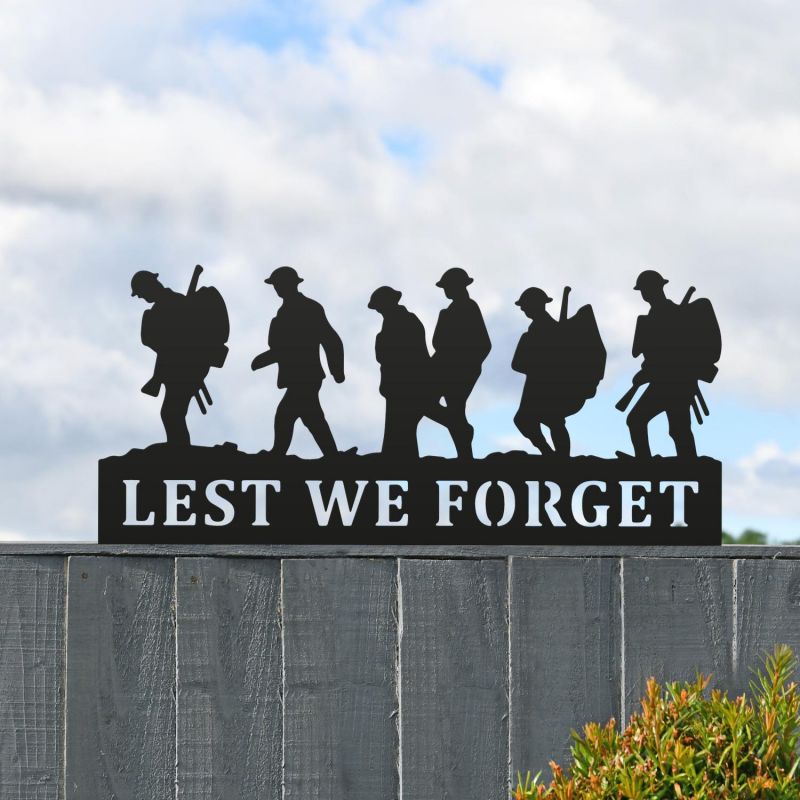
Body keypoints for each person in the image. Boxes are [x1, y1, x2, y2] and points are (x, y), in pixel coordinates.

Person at [620, 269, 721, 458]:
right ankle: (646, 461)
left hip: (678, 383)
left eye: (647, 288)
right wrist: (645, 373)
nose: (645, 293)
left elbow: (675, 354)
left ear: (658, 288)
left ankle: (688, 465)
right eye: (643, 290)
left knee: (676, 429)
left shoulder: (679, 315)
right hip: (660, 383)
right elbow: (646, 353)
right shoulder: (648, 319)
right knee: (639, 421)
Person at [251, 266, 346, 456]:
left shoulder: (309, 308)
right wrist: (265, 359)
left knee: (286, 415)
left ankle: (279, 452)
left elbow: (330, 339)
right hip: (296, 375)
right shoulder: (284, 312)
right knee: (312, 418)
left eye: (278, 284)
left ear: (290, 284)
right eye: (275, 285)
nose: (276, 288)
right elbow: (282, 349)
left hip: (306, 374)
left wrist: (337, 370)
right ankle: (334, 460)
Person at [512, 286, 606, 457]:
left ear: (536, 305)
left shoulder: (555, 332)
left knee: (551, 419)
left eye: (525, 305)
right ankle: (548, 453)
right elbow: (517, 364)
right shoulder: (533, 333)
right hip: (535, 386)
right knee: (527, 421)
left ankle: (560, 457)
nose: (523, 309)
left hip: (551, 387)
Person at [131, 269, 221, 447]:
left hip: (186, 367)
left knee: (172, 413)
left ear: (149, 287)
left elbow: (180, 340)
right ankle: (178, 448)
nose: (141, 298)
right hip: (173, 367)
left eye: (141, 293)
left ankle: (179, 450)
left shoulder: (173, 302)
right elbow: (159, 343)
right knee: (172, 412)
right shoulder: (165, 305)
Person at [368, 286, 455, 458]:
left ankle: (458, 427)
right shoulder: (395, 320)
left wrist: (381, 342)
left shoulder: (404, 320)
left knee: (408, 419)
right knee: (403, 425)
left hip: (408, 384)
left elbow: (396, 354)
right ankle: (400, 457)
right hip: (400, 383)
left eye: (379, 306)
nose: (378, 310)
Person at [431, 268, 491, 458]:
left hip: (461, 370)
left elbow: (484, 344)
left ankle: (464, 452)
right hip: (443, 368)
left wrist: (467, 366)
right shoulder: (446, 312)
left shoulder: (469, 308)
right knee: (445, 410)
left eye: (447, 287)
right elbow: (438, 343)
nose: (445, 291)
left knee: (454, 408)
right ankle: (463, 433)